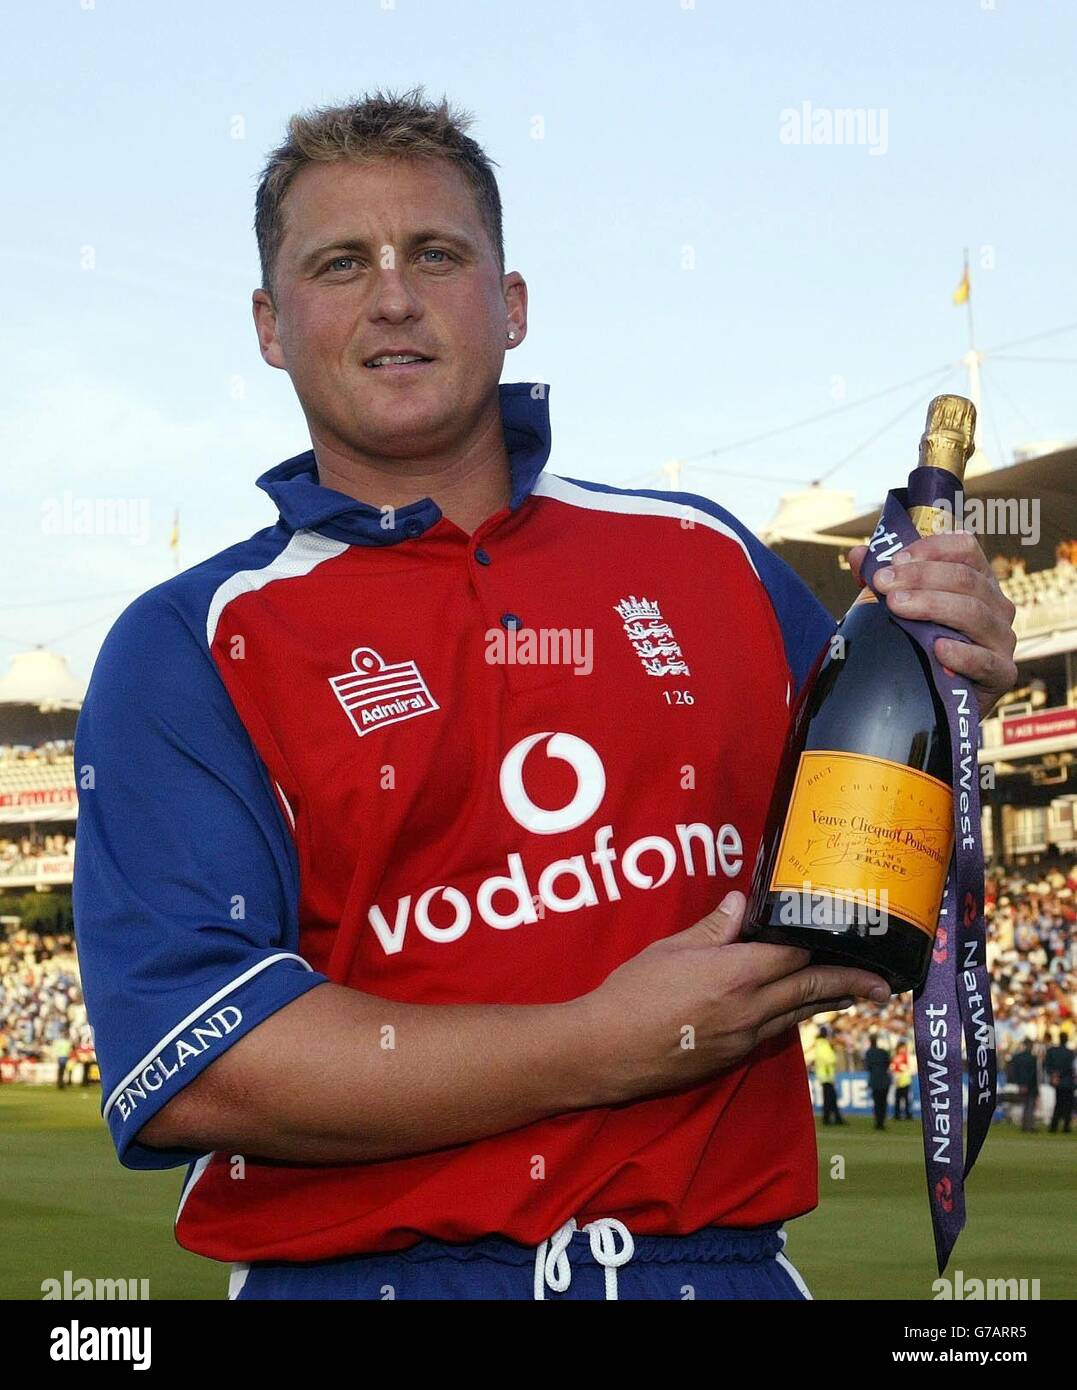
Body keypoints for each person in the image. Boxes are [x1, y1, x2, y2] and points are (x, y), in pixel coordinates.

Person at [71, 88, 1019, 1302]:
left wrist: (952, 675)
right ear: (269, 322)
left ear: (511, 304)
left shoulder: (707, 558)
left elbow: (867, 846)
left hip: (717, 1273)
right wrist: (607, 1046)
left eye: (438, 253)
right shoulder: (184, 645)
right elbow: (202, 1066)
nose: (394, 294)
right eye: (341, 262)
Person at [813, 1026, 845, 1126]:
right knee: (829, 1099)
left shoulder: (819, 1044)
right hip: (826, 1076)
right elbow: (830, 1059)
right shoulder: (823, 1045)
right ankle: (829, 1118)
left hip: (825, 1076)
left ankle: (834, 1118)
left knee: (830, 1098)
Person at [1044, 1030, 1074, 1133]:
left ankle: (1054, 1126)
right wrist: (1059, 1074)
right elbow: (1070, 1068)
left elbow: (1047, 1065)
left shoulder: (1052, 1051)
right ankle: (1066, 1126)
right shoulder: (1070, 1053)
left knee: (1058, 1104)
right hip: (1068, 1082)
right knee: (1068, 1105)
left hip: (1058, 1082)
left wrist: (1054, 1075)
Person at [1008, 1038, 1039, 1132]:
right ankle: (1029, 1126)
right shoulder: (1032, 1058)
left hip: (1020, 1084)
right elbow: (1032, 1074)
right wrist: (1026, 1084)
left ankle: (1025, 1126)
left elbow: (1013, 1072)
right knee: (1030, 1106)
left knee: (1026, 1106)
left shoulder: (1017, 1057)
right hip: (1030, 1085)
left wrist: (1019, 1083)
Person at [864, 1032, 891, 1130]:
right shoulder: (883, 1052)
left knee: (877, 1102)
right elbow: (888, 1063)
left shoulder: (869, 1053)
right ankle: (881, 1121)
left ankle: (878, 1122)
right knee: (883, 1102)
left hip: (875, 1080)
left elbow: (868, 1066)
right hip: (884, 1079)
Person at [891, 1039, 913, 1119]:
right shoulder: (896, 1056)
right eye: (902, 1048)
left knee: (906, 1098)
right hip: (898, 1079)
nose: (903, 1049)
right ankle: (897, 1114)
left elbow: (907, 1067)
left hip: (905, 1079)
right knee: (898, 1098)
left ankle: (907, 1114)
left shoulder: (906, 1056)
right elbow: (893, 1067)